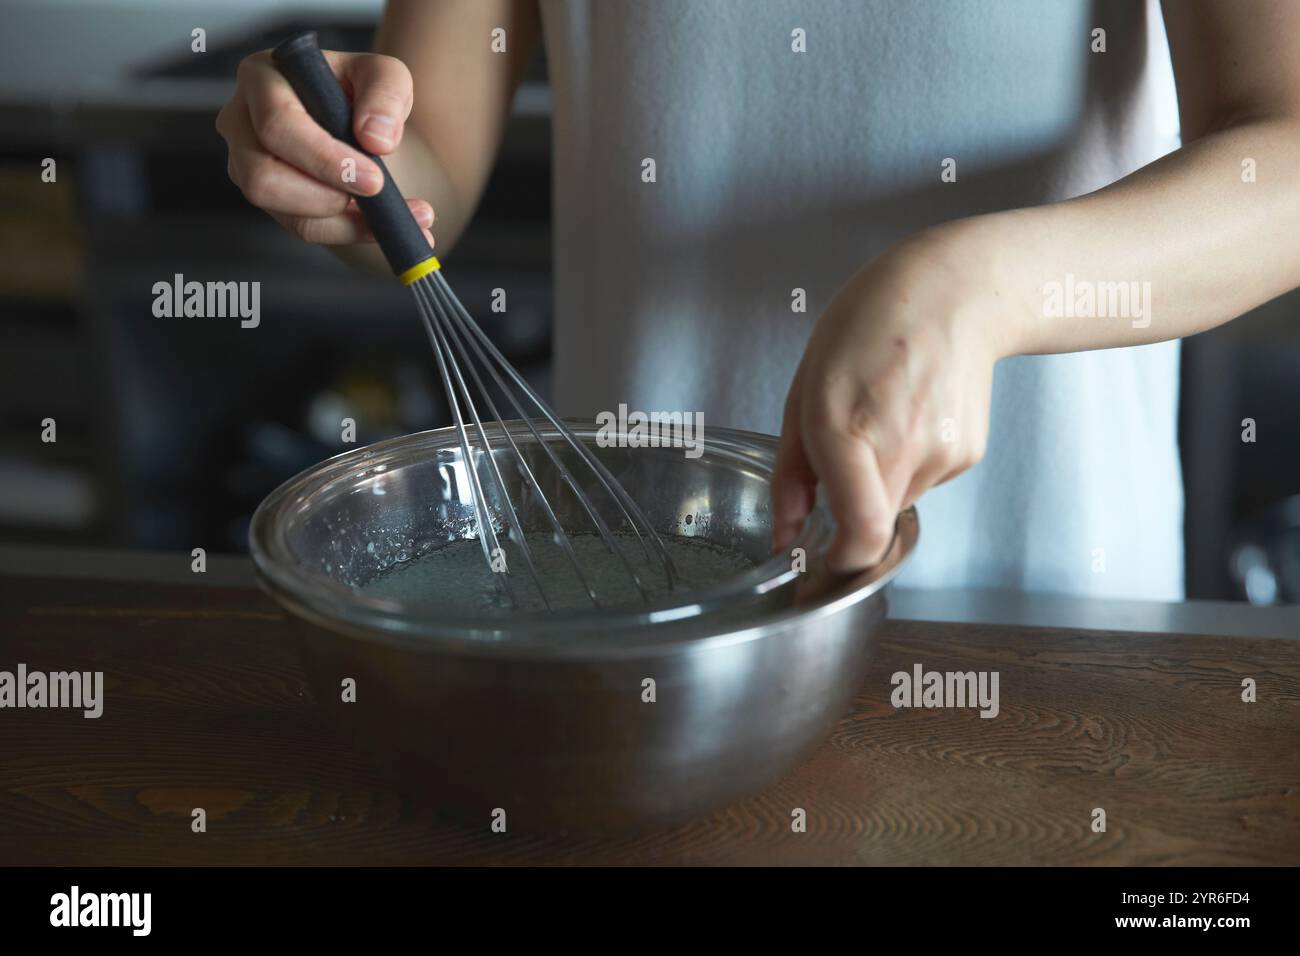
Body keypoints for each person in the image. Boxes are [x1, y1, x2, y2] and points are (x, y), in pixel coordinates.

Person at [217, 0, 1300, 600]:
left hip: (1046, 597)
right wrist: (346, 167)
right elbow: (430, 167)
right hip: (635, 593)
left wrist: (980, 288)